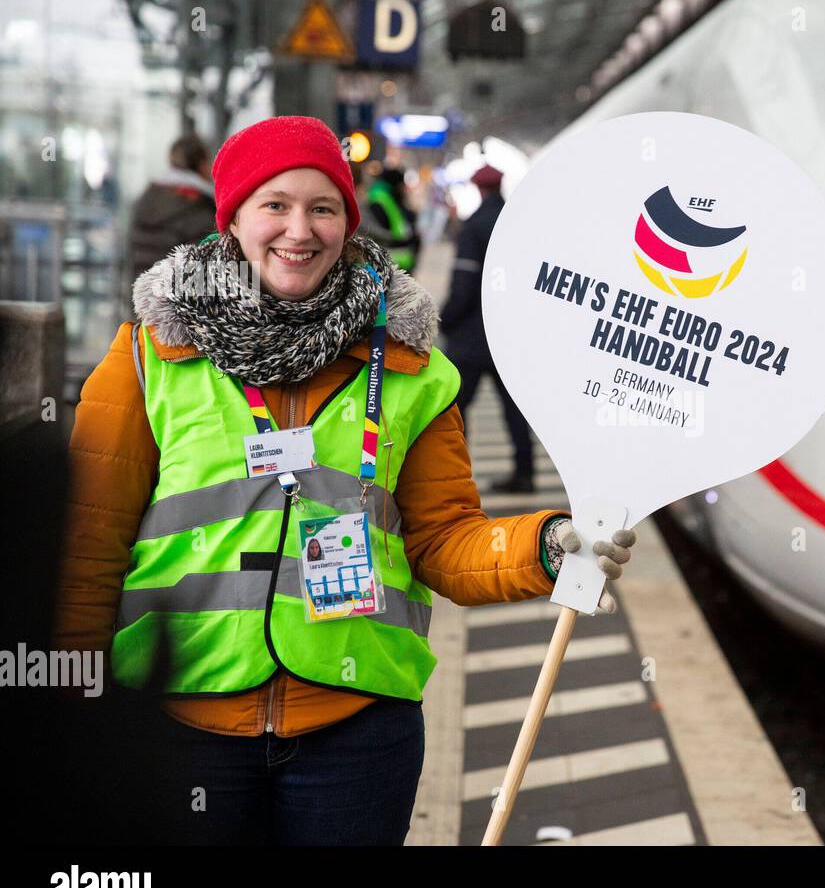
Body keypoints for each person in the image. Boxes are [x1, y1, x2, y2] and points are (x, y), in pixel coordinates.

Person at [53, 115, 636, 846]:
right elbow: (85, 542)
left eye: (323, 208)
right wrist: (72, 700)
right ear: (232, 217)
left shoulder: (411, 368)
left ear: (347, 222)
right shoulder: (150, 355)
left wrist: (544, 546)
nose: (300, 229)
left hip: (357, 738)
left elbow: (445, 539)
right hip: (181, 728)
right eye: (276, 205)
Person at [440, 163, 536, 493]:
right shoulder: (520, 225)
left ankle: (454, 480)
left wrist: (446, 319)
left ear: (479, 189)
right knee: (514, 410)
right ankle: (525, 473)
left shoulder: (474, 226)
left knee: (453, 412)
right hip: (511, 336)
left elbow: (464, 284)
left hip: (471, 336)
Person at [126, 134, 217, 282]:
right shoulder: (199, 208)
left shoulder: (146, 199)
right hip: (176, 301)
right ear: (202, 164)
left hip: (142, 297)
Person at [361, 166, 421, 272]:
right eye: (402, 185)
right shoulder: (382, 200)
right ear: (397, 185)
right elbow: (378, 233)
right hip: (391, 261)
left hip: (392, 260)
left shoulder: (380, 197)